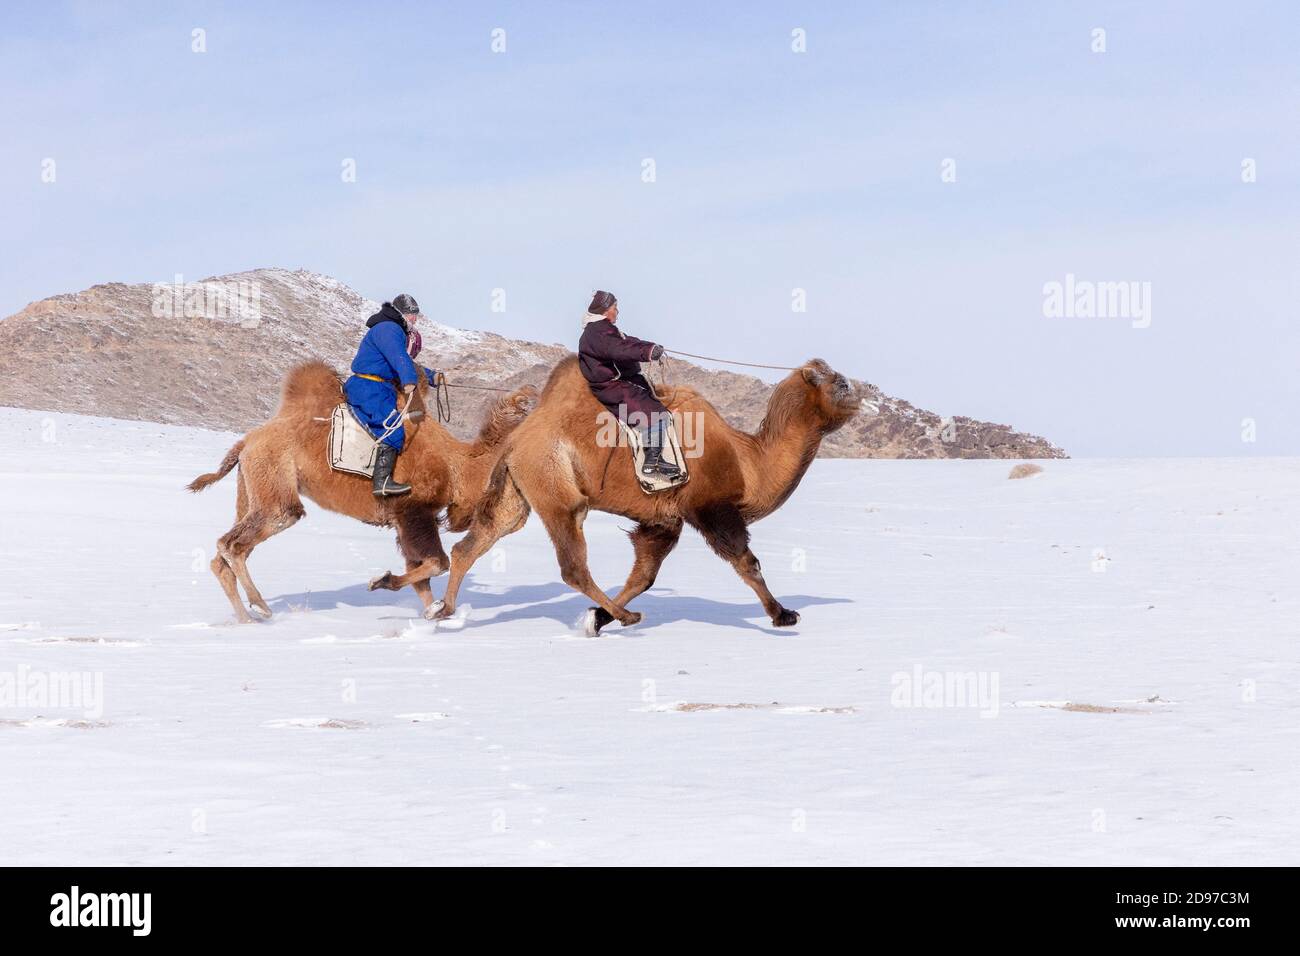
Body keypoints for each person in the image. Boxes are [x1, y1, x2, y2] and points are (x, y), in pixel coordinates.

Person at [578, 290, 680, 480]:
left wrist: (651, 348)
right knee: (656, 415)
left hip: (618, 383)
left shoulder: (600, 330)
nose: (617, 312)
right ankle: (652, 460)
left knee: (656, 410)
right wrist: (648, 353)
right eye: (615, 308)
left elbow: (627, 342)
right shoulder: (599, 331)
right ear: (606, 310)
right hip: (613, 387)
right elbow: (620, 349)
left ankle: (655, 456)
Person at [344, 293, 437, 497]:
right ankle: (382, 482)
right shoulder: (389, 328)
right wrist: (409, 381)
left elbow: (403, 360)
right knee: (393, 428)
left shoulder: (390, 328)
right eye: (412, 315)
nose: (415, 319)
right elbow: (398, 358)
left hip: (377, 388)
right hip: (369, 388)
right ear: (403, 313)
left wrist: (432, 377)